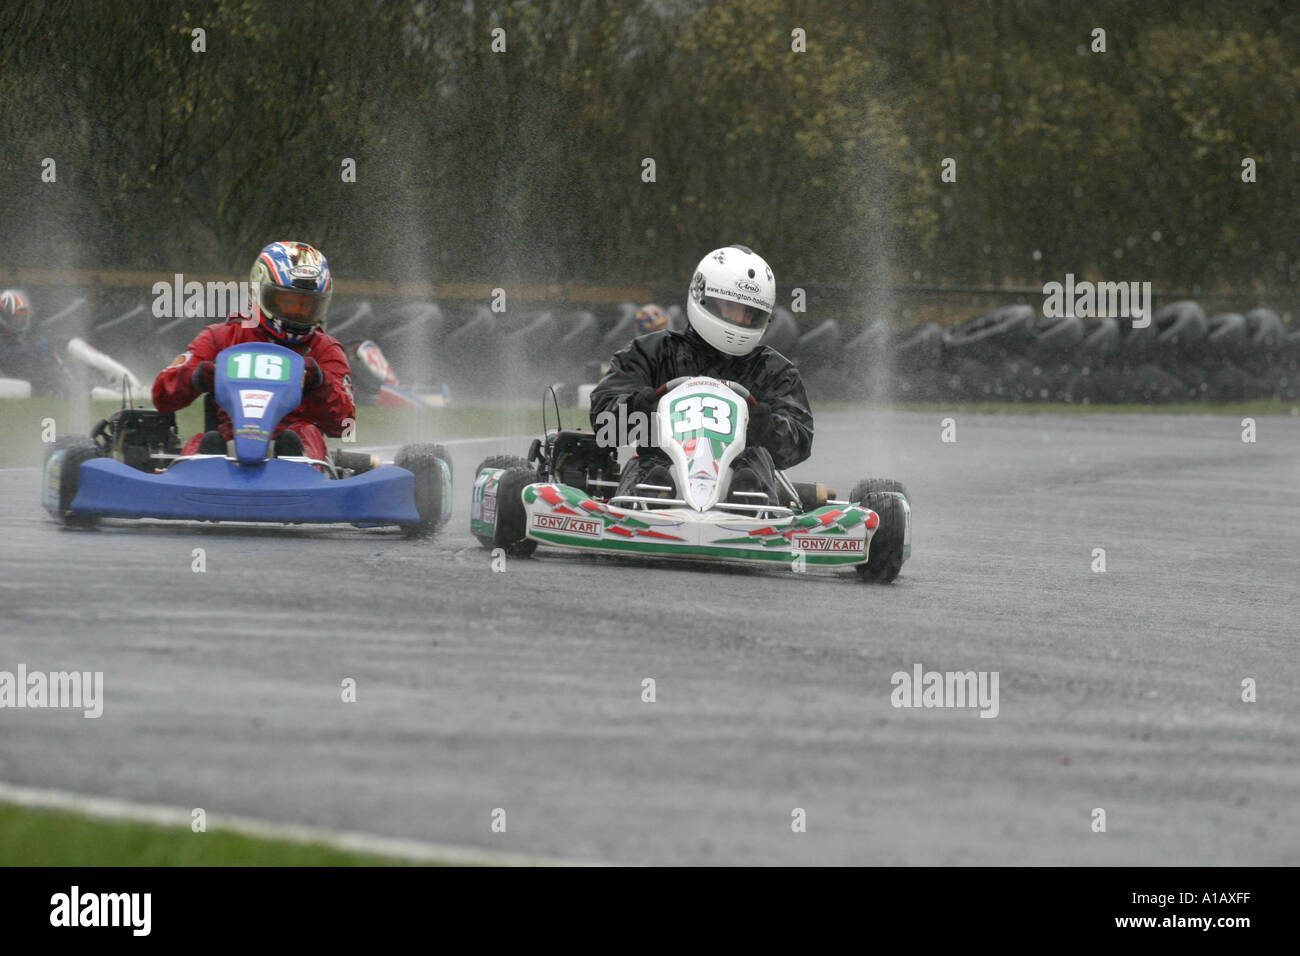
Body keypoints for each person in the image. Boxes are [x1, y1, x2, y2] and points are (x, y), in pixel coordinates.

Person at [590, 245, 813, 502]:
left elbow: (799, 442)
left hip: (744, 475)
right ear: (702, 296)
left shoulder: (773, 370)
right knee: (653, 463)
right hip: (661, 463)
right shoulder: (651, 353)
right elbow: (605, 426)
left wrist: (765, 428)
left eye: (750, 314)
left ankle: (748, 500)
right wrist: (639, 409)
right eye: (730, 308)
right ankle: (650, 495)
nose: (740, 321)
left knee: (753, 463)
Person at [152, 241, 355, 460]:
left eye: (308, 306)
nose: (298, 312)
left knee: (300, 435)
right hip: (228, 449)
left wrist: (320, 385)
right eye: (288, 302)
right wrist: (195, 378)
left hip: (298, 457)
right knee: (205, 441)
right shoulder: (221, 338)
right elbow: (162, 396)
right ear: (258, 292)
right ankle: (195, 480)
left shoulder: (324, 349)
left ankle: (294, 468)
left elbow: (345, 427)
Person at [0, 289, 65, 394]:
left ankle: (66, 385)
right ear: (4, 316)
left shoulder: (14, 338)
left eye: (22, 318)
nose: (20, 322)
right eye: (16, 318)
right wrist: (37, 348)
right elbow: (10, 355)